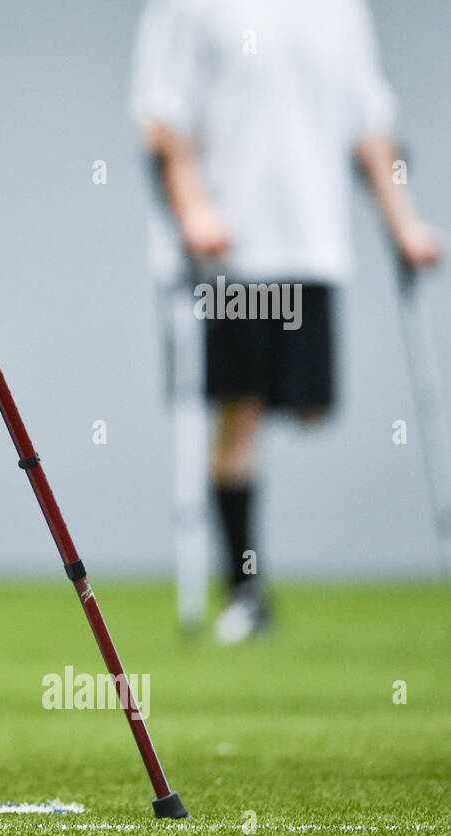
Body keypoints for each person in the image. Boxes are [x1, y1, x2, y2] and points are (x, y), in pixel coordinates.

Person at [130, 0, 441, 643]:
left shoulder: (341, 11)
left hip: (314, 244)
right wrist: (194, 208)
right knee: (240, 410)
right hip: (233, 254)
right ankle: (246, 589)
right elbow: (162, 120)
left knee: (306, 408)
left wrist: (403, 221)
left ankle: (248, 581)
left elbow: (370, 126)